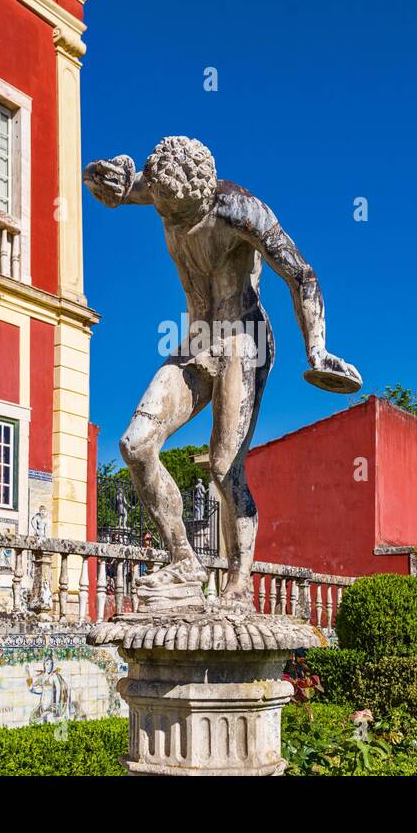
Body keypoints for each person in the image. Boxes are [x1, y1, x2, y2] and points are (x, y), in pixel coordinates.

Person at [84, 137, 360, 608]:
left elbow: (301, 274)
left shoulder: (239, 210)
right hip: (195, 344)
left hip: (243, 344)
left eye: (179, 211)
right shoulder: (162, 188)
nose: (169, 217)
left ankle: (238, 583)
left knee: (224, 468)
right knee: (135, 444)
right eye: (162, 208)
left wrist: (317, 349)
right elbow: (119, 185)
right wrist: (103, 178)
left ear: (200, 195)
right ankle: (184, 562)